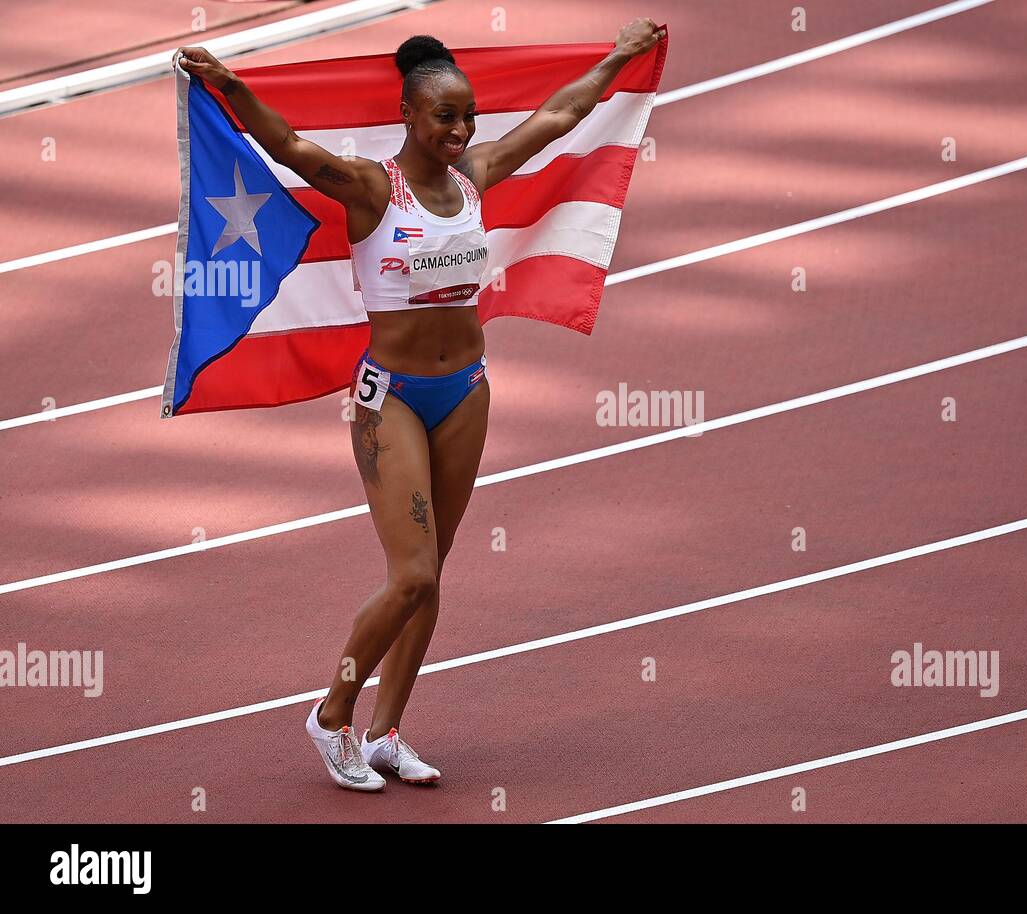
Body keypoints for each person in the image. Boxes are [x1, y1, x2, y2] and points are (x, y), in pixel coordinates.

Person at [178, 18, 665, 791]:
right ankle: (332, 715)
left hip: (466, 389)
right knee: (410, 576)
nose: (461, 128)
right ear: (408, 115)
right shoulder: (375, 188)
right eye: (445, 116)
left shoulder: (475, 176)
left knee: (434, 572)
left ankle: (387, 732)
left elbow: (559, 117)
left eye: (467, 116)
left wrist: (619, 57)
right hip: (390, 398)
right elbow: (291, 148)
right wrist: (230, 85)